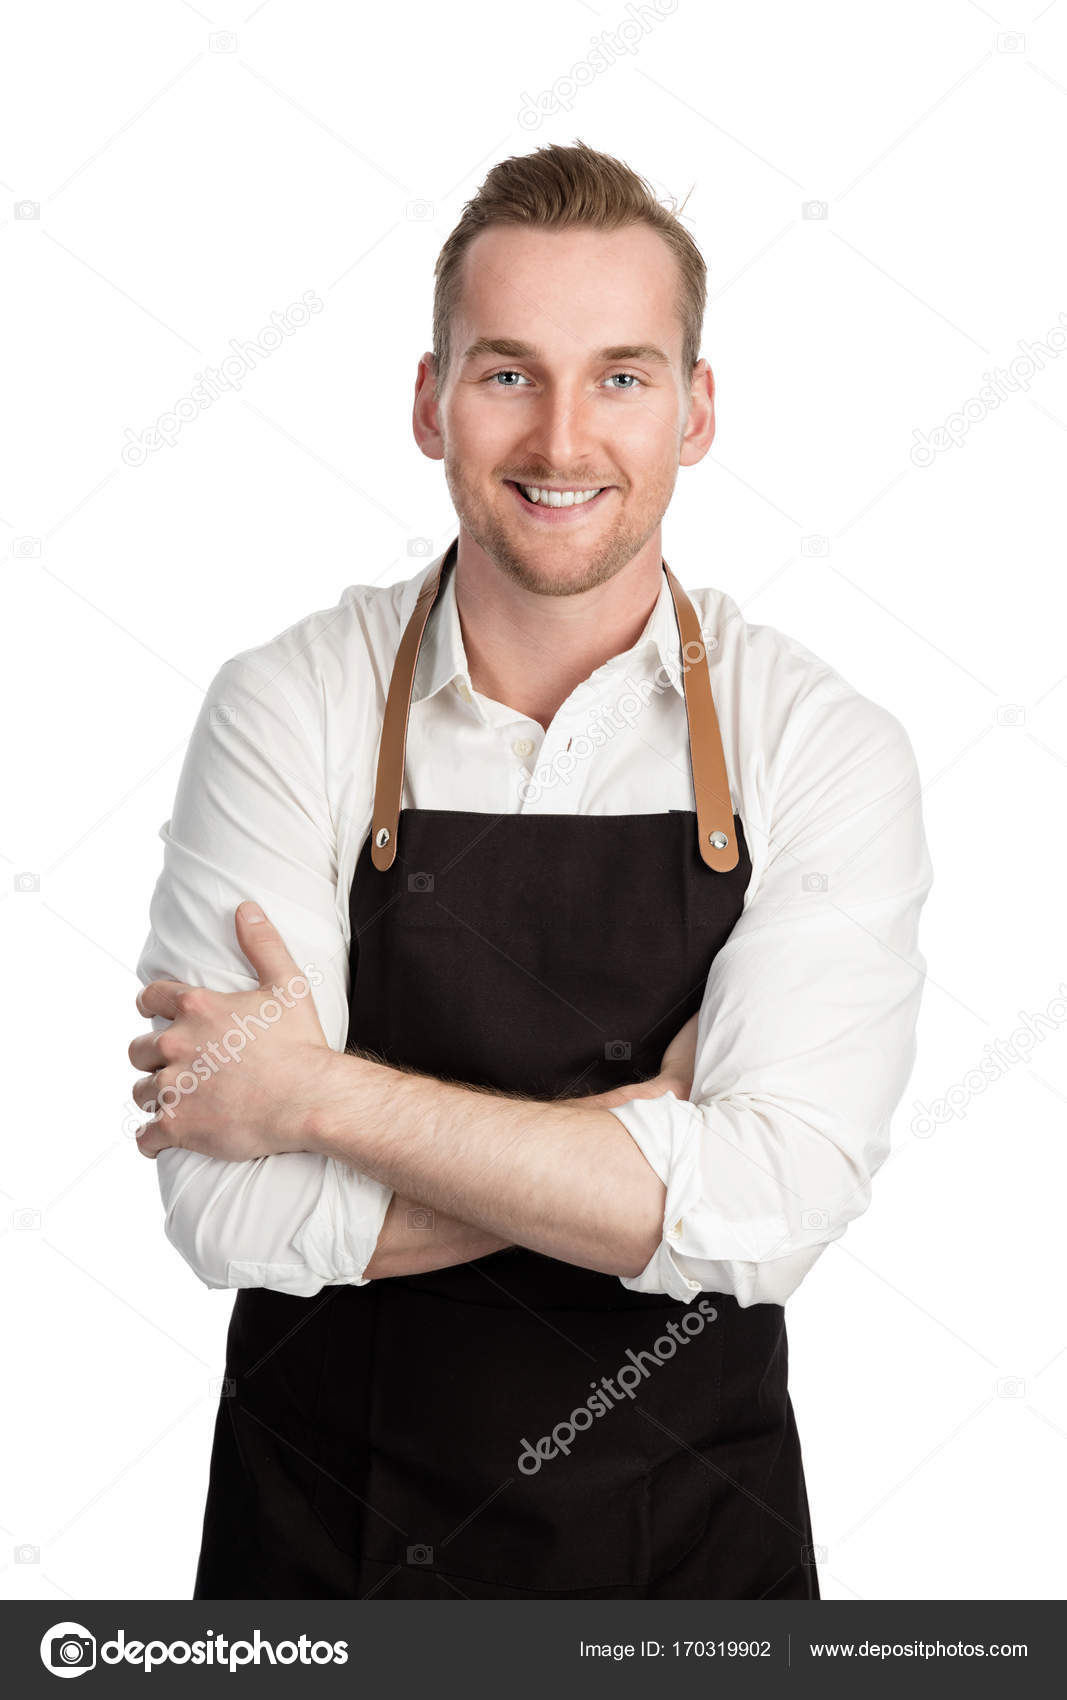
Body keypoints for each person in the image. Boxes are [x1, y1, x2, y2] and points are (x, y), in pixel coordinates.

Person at [129, 140, 933, 1600]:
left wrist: (315, 1098)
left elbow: (777, 1208)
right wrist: (651, 1144)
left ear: (695, 411)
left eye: (621, 376)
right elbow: (229, 1212)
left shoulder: (818, 742)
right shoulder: (289, 707)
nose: (563, 440)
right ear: (429, 403)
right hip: (323, 1565)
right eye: (508, 373)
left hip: (695, 1572)